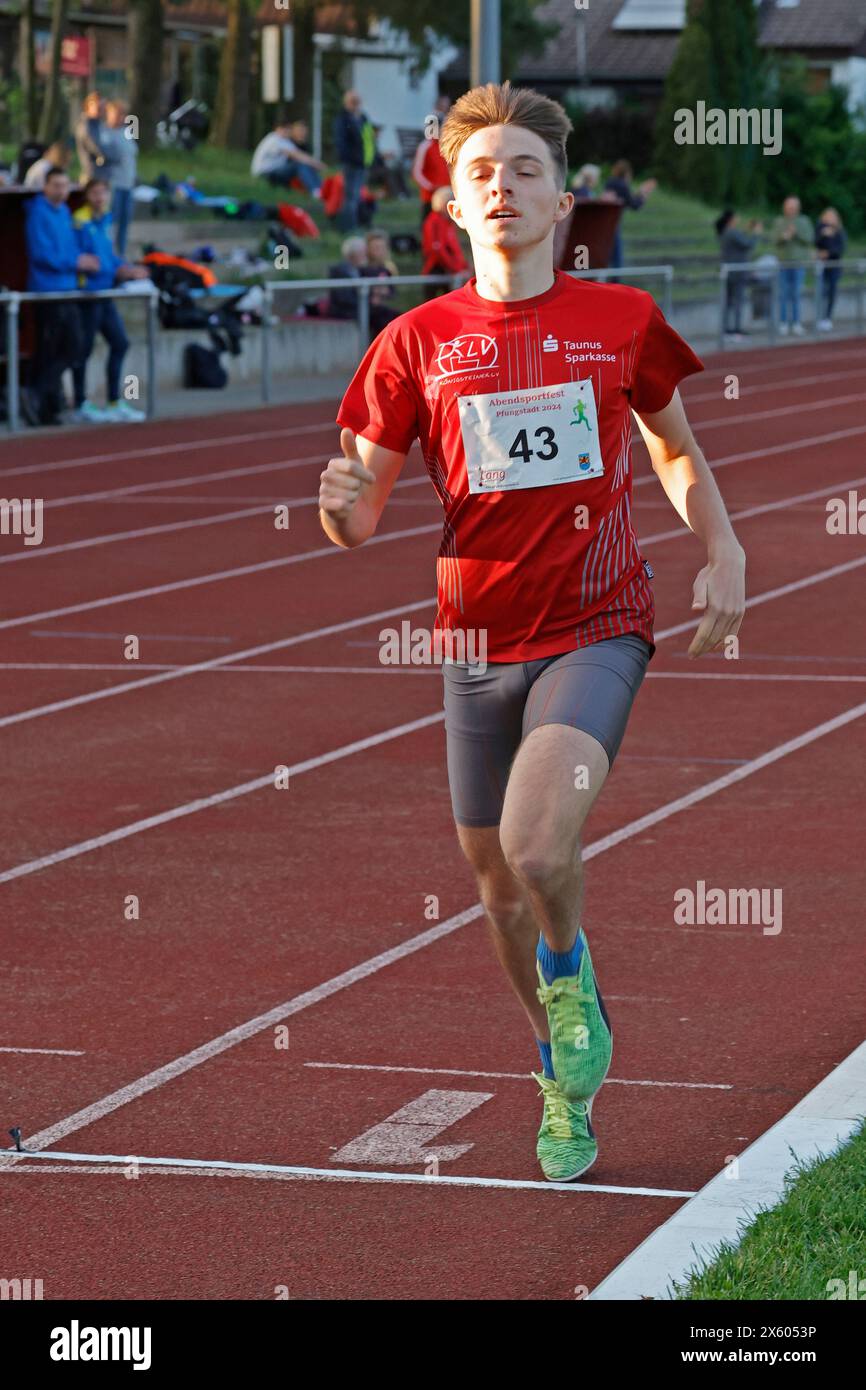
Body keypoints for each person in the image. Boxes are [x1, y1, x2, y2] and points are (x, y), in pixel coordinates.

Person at [319, 81, 746, 1183]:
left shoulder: (621, 324)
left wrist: (724, 550)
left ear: (563, 200)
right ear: (452, 209)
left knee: (538, 847)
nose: (499, 187)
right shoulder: (413, 341)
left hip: (597, 622)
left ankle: (570, 978)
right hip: (472, 642)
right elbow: (357, 516)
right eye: (478, 174)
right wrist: (333, 501)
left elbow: (673, 448)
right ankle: (562, 1076)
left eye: (522, 170)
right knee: (495, 886)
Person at [22, 166, 99, 425]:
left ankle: (43, 400)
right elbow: (43, 255)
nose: (61, 191)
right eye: (56, 185)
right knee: (62, 345)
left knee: (70, 346)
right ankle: (36, 394)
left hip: (68, 288)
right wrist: (75, 261)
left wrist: (85, 259)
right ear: (45, 186)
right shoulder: (37, 214)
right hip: (48, 290)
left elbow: (71, 247)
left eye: (65, 186)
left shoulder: (65, 212)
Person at [71, 176, 149, 423]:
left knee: (120, 343)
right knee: (83, 349)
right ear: (87, 195)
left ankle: (115, 400)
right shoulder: (80, 221)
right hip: (90, 293)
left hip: (106, 292)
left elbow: (108, 254)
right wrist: (106, 268)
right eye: (95, 193)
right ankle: (81, 403)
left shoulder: (104, 219)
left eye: (104, 193)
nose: (100, 198)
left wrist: (126, 268)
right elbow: (82, 257)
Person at [328, 235, 396, 337]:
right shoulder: (340, 270)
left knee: (391, 315)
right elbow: (344, 297)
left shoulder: (359, 269)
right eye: (363, 253)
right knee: (382, 317)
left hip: (360, 307)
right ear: (353, 254)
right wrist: (370, 301)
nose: (366, 255)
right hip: (346, 310)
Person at [99, 98, 139, 257]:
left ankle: (120, 255)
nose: (121, 118)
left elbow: (131, 157)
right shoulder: (104, 133)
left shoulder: (126, 132)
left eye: (123, 114)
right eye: (117, 114)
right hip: (113, 183)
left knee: (124, 223)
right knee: (111, 222)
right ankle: (107, 254)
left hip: (128, 184)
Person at [715, 208, 763, 340]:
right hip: (737, 272)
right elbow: (748, 244)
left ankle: (728, 329)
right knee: (737, 301)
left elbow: (741, 240)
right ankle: (735, 329)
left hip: (731, 271)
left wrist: (748, 231)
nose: (738, 219)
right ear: (731, 219)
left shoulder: (727, 232)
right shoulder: (732, 232)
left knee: (729, 301)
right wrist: (756, 233)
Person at [603, 159, 656, 273]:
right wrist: (644, 194)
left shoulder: (610, 182)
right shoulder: (622, 185)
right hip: (614, 225)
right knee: (617, 261)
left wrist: (639, 192)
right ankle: (615, 286)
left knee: (607, 258)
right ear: (627, 173)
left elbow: (625, 199)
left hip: (605, 224)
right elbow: (634, 205)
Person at [770, 195, 813, 336]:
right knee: (783, 294)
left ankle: (796, 323)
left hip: (798, 263)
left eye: (793, 207)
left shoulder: (804, 221)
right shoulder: (779, 221)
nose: (791, 210)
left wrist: (796, 234)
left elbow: (809, 239)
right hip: (783, 263)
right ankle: (783, 323)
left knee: (796, 294)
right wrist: (784, 236)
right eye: (789, 207)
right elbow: (774, 240)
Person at [251, 118, 324, 195]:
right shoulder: (275, 139)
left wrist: (314, 163)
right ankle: (316, 191)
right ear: (278, 129)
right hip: (266, 174)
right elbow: (297, 156)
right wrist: (317, 164)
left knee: (304, 164)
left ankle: (321, 189)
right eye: (285, 129)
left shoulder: (285, 141)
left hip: (274, 172)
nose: (288, 132)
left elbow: (300, 154)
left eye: (289, 129)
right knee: (299, 164)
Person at [421, 184, 470, 295]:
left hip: (447, 269)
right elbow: (438, 249)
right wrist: (456, 268)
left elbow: (453, 248)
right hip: (437, 268)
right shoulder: (434, 221)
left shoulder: (448, 223)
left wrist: (462, 266)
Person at [412, 95, 452, 226]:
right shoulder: (426, 146)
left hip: (446, 194)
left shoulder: (448, 147)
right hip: (430, 195)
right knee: (428, 224)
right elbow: (417, 173)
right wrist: (431, 187)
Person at [333, 90, 370, 231]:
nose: (355, 104)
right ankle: (348, 227)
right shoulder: (343, 119)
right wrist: (348, 158)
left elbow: (368, 139)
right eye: (353, 101)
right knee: (351, 196)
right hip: (351, 163)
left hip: (362, 162)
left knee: (357, 196)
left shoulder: (362, 118)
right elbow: (341, 142)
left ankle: (356, 224)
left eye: (357, 101)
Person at [815, 207, 846, 332]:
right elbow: (814, 242)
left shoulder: (840, 231)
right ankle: (819, 317)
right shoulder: (820, 229)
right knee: (821, 292)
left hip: (834, 266)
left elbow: (841, 249)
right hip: (822, 266)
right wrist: (823, 234)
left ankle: (827, 318)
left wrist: (828, 253)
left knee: (832, 291)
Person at [74, 91, 108, 182]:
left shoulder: (99, 123)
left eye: (103, 108)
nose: (103, 111)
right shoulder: (85, 125)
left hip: (102, 172)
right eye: (99, 108)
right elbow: (94, 146)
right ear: (88, 106)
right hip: (92, 173)